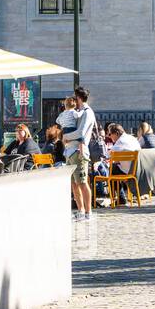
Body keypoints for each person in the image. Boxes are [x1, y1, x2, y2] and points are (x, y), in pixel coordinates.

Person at [62, 87, 97, 221]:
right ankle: (81, 210)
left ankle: (88, 212)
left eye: (75, 97)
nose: (73, 99)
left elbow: (81, 133)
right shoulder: (79, 112)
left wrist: (66, 136)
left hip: (79, 151)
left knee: (82, 182)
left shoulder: (87, 113)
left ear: (79, 98)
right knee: (74, 184)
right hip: (70, 151)